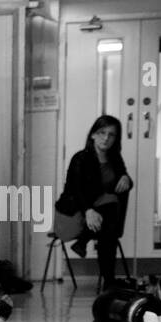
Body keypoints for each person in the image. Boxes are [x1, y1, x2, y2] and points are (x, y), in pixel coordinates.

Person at [57, 115, 134, 288]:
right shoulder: (80, 158)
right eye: (101, 132)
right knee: (110, 222)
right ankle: (109, 281)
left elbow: (124, 180)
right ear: (92, 134)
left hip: (101, 218)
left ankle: (84, 244)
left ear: (116, 138)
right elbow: (74, 189)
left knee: (110, 221)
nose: (106, 138)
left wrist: (127, 179)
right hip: (74, 215)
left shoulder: (115, 159)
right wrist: (88, 211)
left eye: (111, 135)